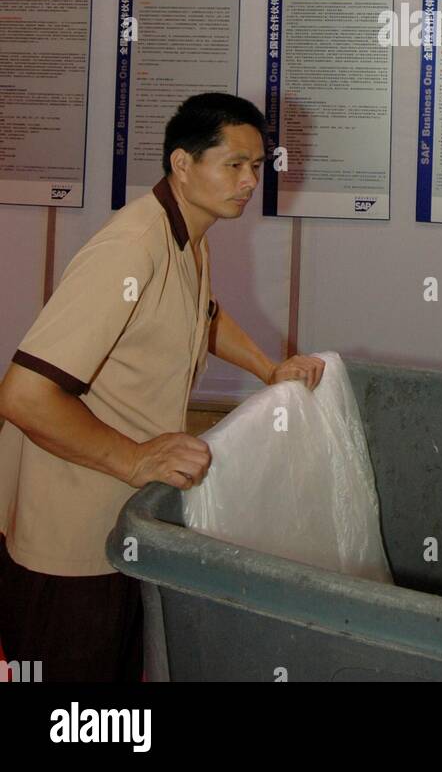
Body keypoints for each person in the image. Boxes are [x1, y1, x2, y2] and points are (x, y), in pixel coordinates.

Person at [0, 92, 325, 682]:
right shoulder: (131, 248)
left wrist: (267, 368)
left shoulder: (185, 234)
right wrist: (133, 459)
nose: (250, 181)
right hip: (70, 542)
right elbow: (24, 396)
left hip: (120, 521)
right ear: (182, 163)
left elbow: (204, 313)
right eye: (233, 164)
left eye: (257, 165)